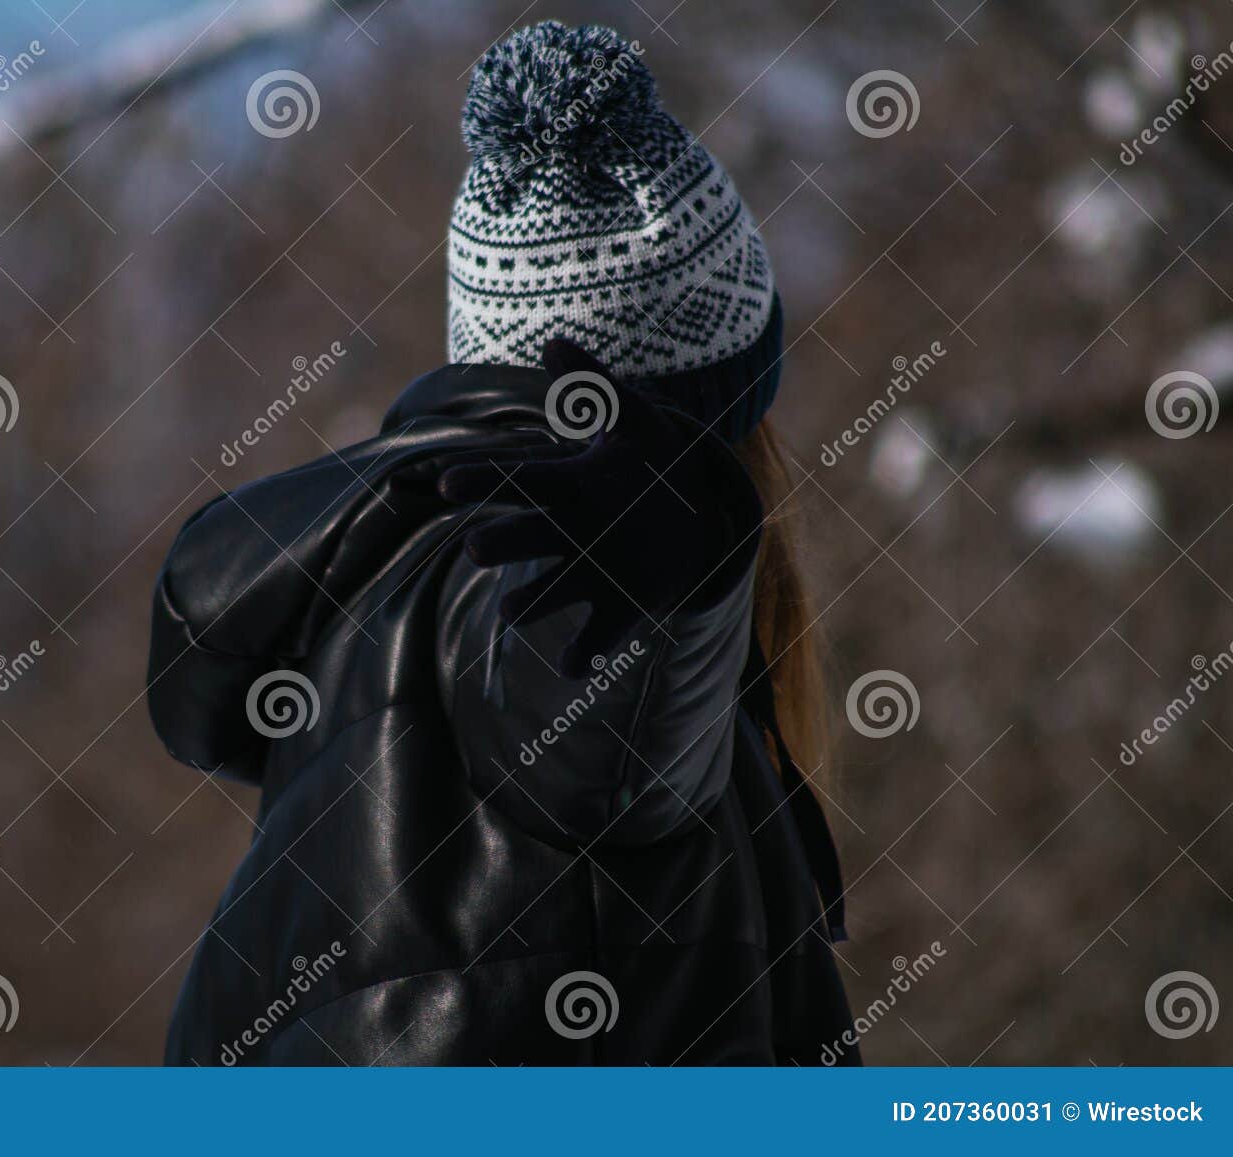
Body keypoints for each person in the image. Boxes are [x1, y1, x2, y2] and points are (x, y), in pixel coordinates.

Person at [148, 21, 858, 1065]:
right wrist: (667, 590)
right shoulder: (529, 594)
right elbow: (577, 714)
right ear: (720, 428)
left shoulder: (373, 595)